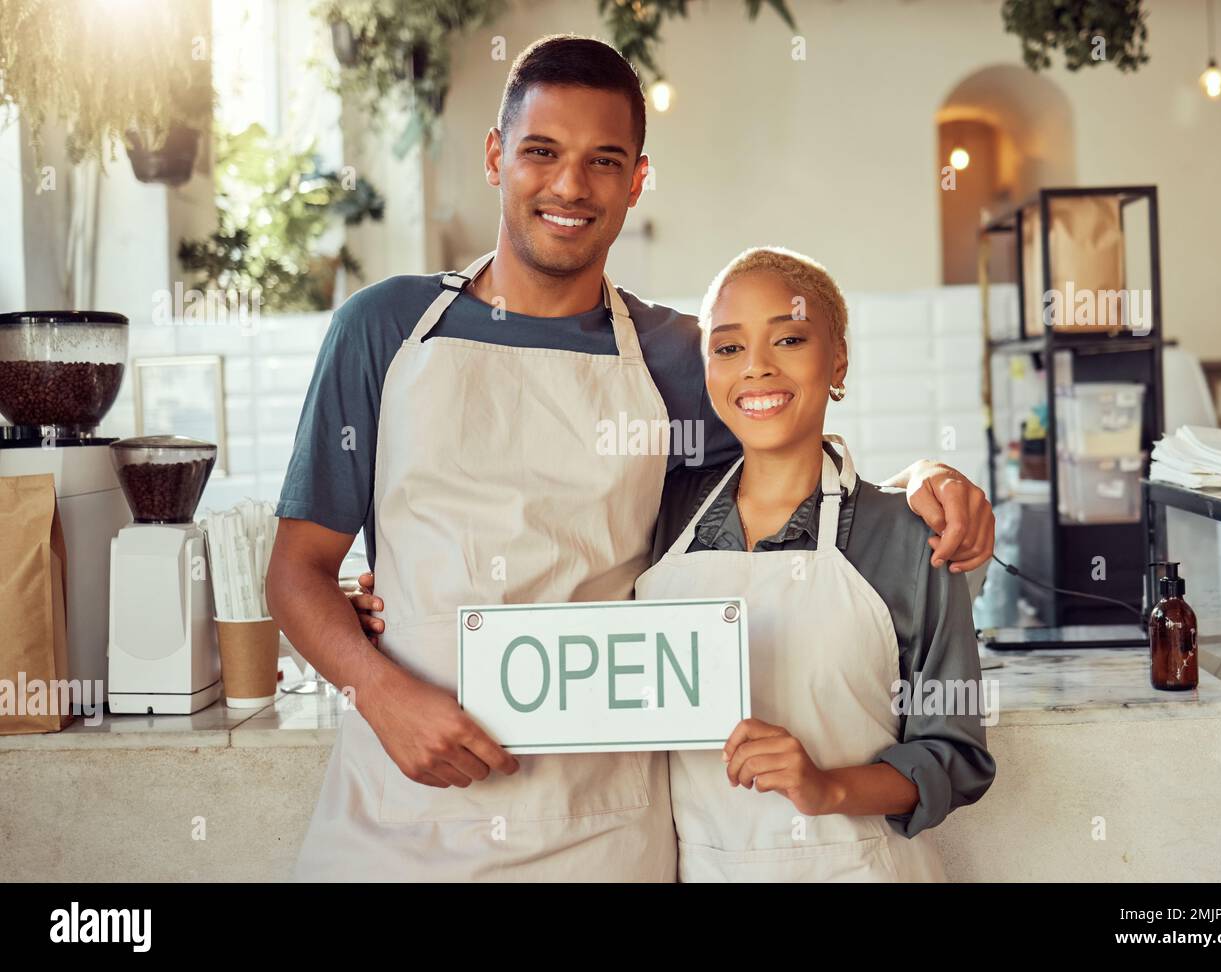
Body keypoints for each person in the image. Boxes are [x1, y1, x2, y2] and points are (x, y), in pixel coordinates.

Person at [270, 33, 994, 883]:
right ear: (498, 157)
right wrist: (379, 692)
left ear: (637, 180)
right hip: (394, 810)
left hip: (600, 832)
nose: (571, 186)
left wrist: (920, 483)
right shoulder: (383, 329)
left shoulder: (681, 357)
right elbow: (296, 572)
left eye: (604, 161)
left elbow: (793, 441)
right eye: (542, 152)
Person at [634, 246, 994, 881]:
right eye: (728, 348)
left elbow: (954, 756)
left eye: (790, 339)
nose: (757, 369)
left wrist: (824, 787)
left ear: (839, 358)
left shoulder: (911, 536)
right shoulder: (658, 518)